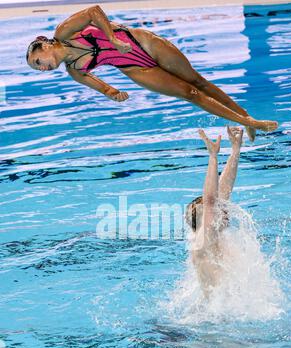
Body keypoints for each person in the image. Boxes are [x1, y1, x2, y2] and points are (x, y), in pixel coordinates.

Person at [26, 4, 278, 141]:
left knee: (197, 80)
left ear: (46, 45)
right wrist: (114, 93)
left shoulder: (63, 32)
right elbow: (105, 88)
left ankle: (245, 115)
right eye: (38, 68)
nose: (42, 68)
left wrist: (112, 39)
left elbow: (94, 11)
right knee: (189, 93)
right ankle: (249, 122)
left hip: (141, 42)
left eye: (38, 61)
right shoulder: (75, 70)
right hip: (134, 67)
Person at [185, 126, 243, 297]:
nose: (222, 210)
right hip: (215, 319)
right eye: (214, 211)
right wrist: (212, 157)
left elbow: (222, 194)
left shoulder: (212, 238)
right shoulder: (202, 242)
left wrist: (235, 150)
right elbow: (210, 201)